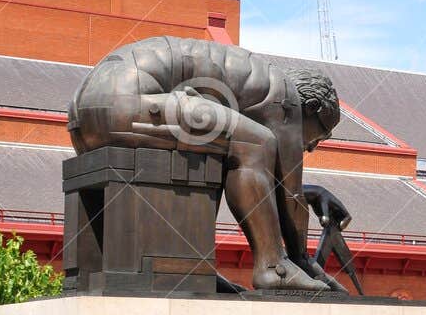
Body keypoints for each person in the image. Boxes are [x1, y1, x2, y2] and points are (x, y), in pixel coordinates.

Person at [69, 37, 345, 292]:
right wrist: (303, 260)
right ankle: (274, 268)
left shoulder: (260, 81)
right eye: (317, 137)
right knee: (256, 143)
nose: (310, 147)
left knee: (222, 145)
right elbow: (288, 189)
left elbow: (268, 183)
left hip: (84, 111)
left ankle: (194, 269)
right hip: (126, 102)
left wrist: (311, 192)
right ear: (310, 109)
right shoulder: (286, 98)